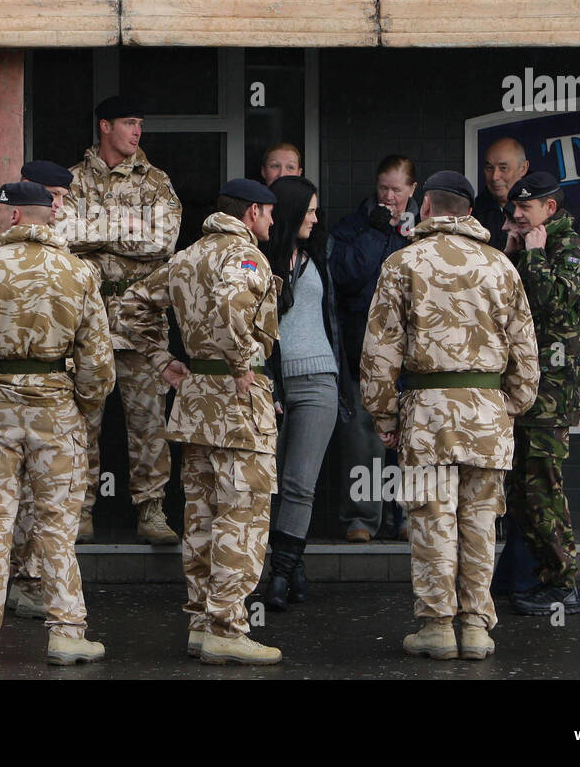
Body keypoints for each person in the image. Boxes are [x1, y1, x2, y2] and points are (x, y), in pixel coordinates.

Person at [361, 171, 539, 661]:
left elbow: (380, 351)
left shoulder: (402, 264)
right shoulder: (502, 266)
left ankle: (437, 626)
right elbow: (525, 352)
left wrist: (383, 415)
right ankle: (477, 626)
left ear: (425, 209)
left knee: (432, 518)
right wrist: (511, 405)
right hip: (487, 414)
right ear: (468, 212)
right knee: (481, 520)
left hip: (428, 415)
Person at [0, 182, 114, 666]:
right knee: (58, 523)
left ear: (16, 217)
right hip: (57, 407)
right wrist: (80, 403)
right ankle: (66, 633)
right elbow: (98, 362)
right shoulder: (78, 273)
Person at [119, 178, 282, 665]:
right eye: (269, 213)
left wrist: (159, 359)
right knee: (242, 516)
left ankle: (200, 622)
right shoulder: (244, 256)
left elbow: (131, 306)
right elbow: (234, 307)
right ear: (253, 211)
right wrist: (239, 366)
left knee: (203, 517)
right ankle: (228, 625)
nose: (272, 222)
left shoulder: (188, 256)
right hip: (235, 405)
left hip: (194, 406)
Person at [62, 96, 181, 545]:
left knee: (149, 422)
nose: (137, 132)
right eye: (129, 123)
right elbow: (62, 236)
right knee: (83, 421)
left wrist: (97, 233)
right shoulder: (72, 181)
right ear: (105, 126)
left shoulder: (155, 182)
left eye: (140, 123)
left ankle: (151, 510)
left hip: (139, 323)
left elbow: (163, 242)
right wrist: (124, 225)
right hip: (87, 322)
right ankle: (81, 509)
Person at [490, 171, 580, 616]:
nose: (515, 214)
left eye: (524, 208)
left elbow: (553, 303)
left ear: (549, 209)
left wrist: (531, 256)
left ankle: (563, 584)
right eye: (514, 208)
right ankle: (534, 577)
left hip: (551, 396)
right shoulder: (530, 249)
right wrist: (511, 256)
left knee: (544, 492)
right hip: (521, 391)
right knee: (520, 493)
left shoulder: (572, 250)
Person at [0, 160, 76, 621]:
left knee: (12, 510)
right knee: (42, 509)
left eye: (62, 197)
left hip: (24, 397)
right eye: (52, 196)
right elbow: (97, 353)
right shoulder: (2, 253)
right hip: (52, 397)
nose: (59, 205)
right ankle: (63, 623)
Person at [261, 175, 352, 610]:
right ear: (290, 211)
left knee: (299, 483)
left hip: (320, 379)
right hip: (271, 381)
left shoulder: (320, 252)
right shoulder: (256, 258)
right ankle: (291, 566)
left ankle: (278, 576)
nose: (316, 218)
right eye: (310, 210)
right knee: (267, 483)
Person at [330, 155, 421, 543]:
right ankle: (361, 519)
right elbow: (344, 275)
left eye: (396, 190)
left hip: (414, 351)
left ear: (412, 190)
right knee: (363, 436)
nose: (387, 196)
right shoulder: (354, 226)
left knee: (412, 433)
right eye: (382, 187)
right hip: (363, 348)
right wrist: (375, 231)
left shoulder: (425, 228)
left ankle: (407, 516)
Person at [474, 137, 529, 252]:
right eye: (489, 168)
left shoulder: (539, 211)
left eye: (503, 168)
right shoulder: (472, 214)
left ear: (523, 169)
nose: (495, 177)